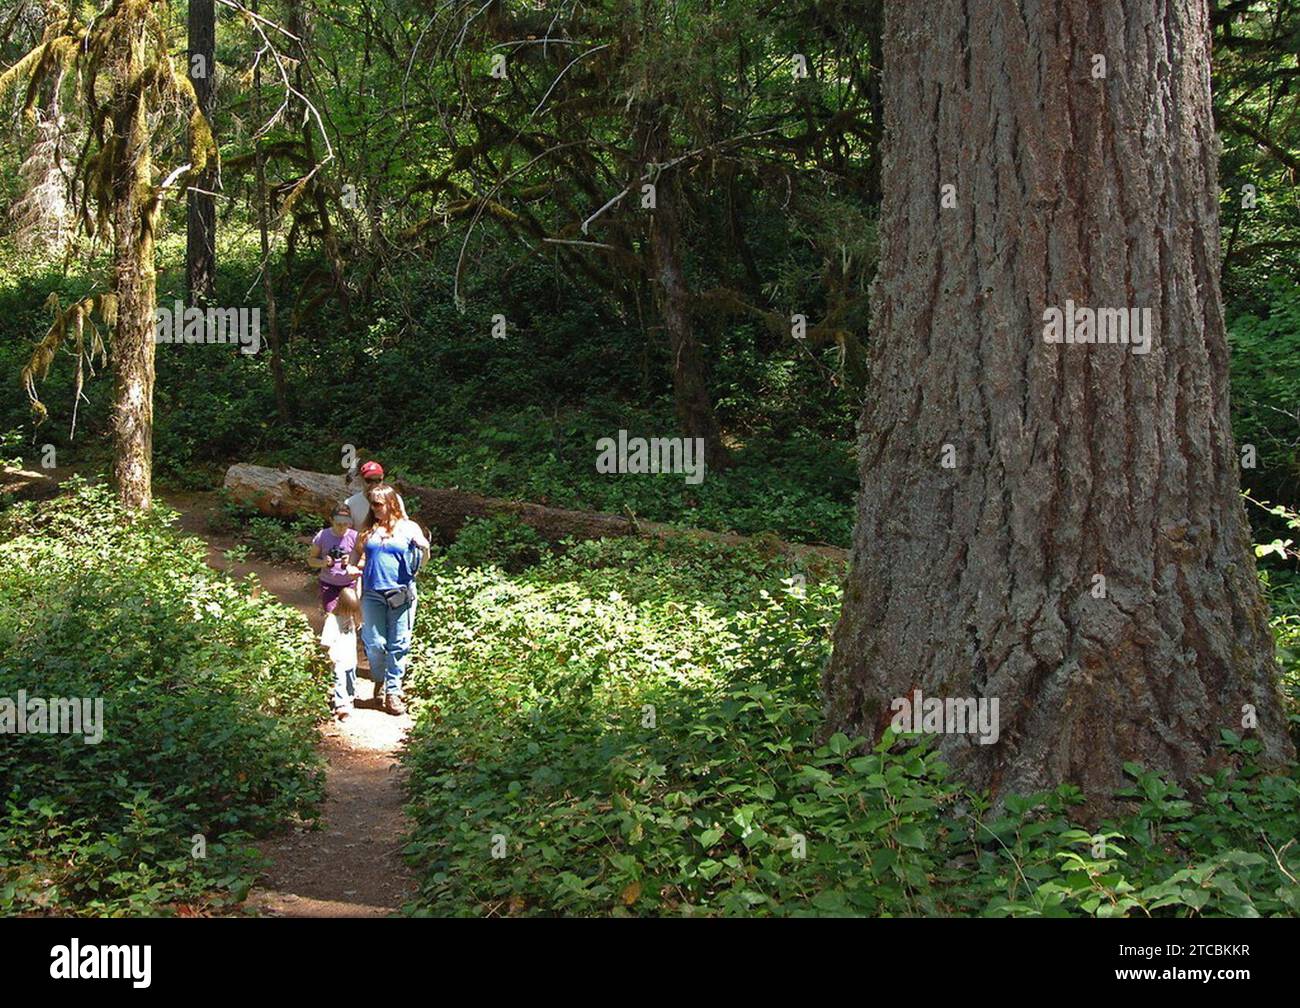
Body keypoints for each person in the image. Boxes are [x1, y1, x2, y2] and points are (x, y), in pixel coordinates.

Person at [349, 483, 429, 716]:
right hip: (372, 593)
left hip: (401, 592)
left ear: (391, 504)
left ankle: (392, 691)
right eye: (371, 504)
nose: (373, 508)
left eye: (377, 504)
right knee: (374, 643)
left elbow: (424, 552)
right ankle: (379, 679)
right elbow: (355, 554)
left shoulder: (408, 527)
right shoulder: (368, 529)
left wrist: (423, 547)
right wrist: (352, 568)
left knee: (399, 643)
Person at [309, 504, 362, 719]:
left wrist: (354, 566)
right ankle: (342, 684)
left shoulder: (355, 536)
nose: (342, 528)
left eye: (345, 524)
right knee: (338, 625)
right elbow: (310, 559)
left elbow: (365, 559)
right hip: (329, 586)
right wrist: (323, 562)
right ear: (331, 521)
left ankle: (347, 681)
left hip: (348, 586)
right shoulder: (322, 536)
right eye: (338, 524)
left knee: (348, 628)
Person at [345, 460, 405, 529]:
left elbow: (404, 523)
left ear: (383, 478)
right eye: (369, 481)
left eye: (378, 480)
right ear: (361, 479)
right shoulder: (350, 503)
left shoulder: (394, 499)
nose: (374, 485)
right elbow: (347, 535)